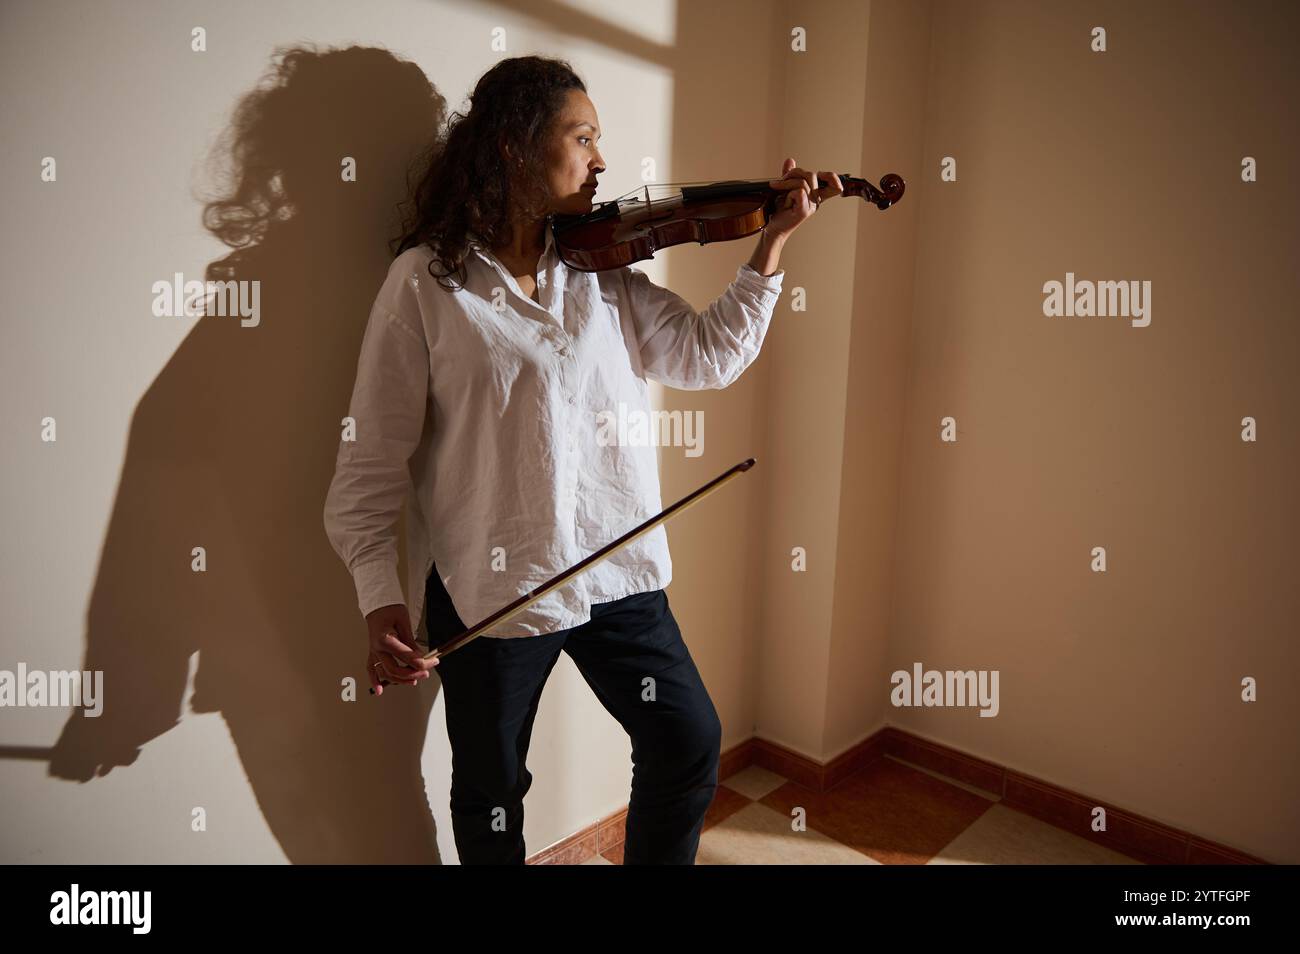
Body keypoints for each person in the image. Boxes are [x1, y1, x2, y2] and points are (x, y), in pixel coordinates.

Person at [323, 54, 838, 864]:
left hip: (613, 566)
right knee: (491, 792)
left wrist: (770, 244)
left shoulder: (601, 269)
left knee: (687, 739)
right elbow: (369, 461)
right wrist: (377, 597)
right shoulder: (425, 285)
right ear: (514, 149)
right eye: (584, 137)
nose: (602, 160)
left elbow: (704, 356)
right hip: (495, 586)